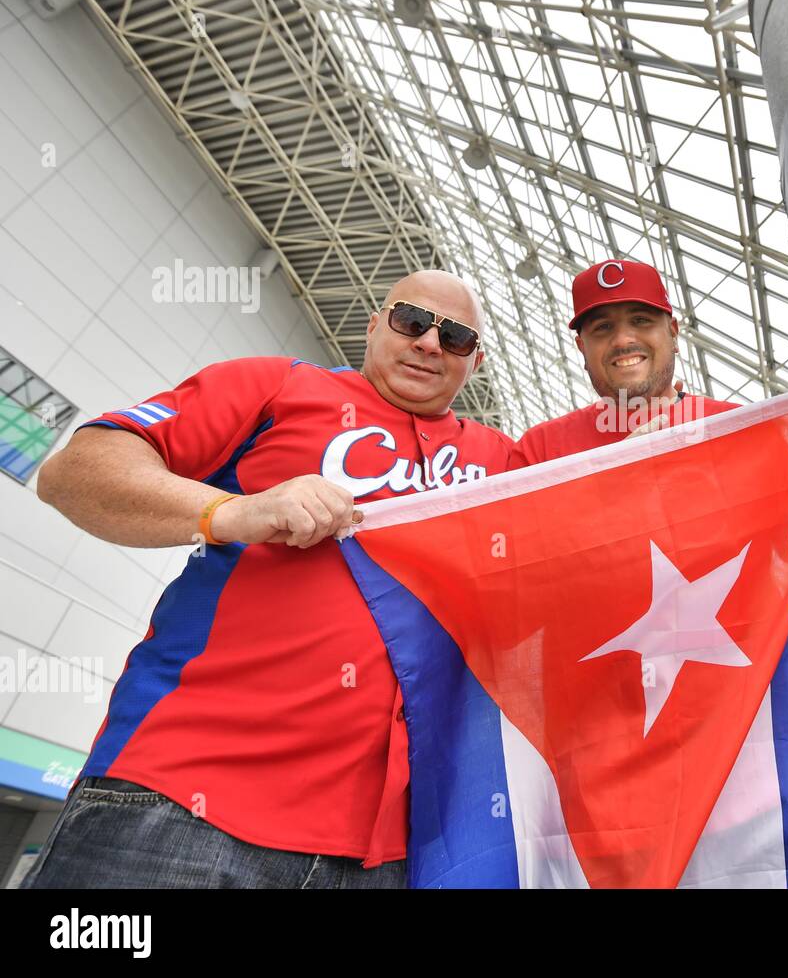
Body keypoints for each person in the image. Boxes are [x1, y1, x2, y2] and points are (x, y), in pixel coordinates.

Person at [24, 270, 512, 889]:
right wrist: (228, 513)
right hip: (179, 809)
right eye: (411, 321)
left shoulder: (504, 462)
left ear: (476, 361)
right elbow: (74, 472)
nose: (429, 344)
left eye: (458, 337)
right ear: (373, 324)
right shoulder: (280, 385)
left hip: (383, 856)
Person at [508, 258, 788, 467]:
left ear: (673, 332)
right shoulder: (539, 451)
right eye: (602, 328)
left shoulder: (742, 430)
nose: (624, 340)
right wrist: (607, 478)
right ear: (581, 347)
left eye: (641, 321)